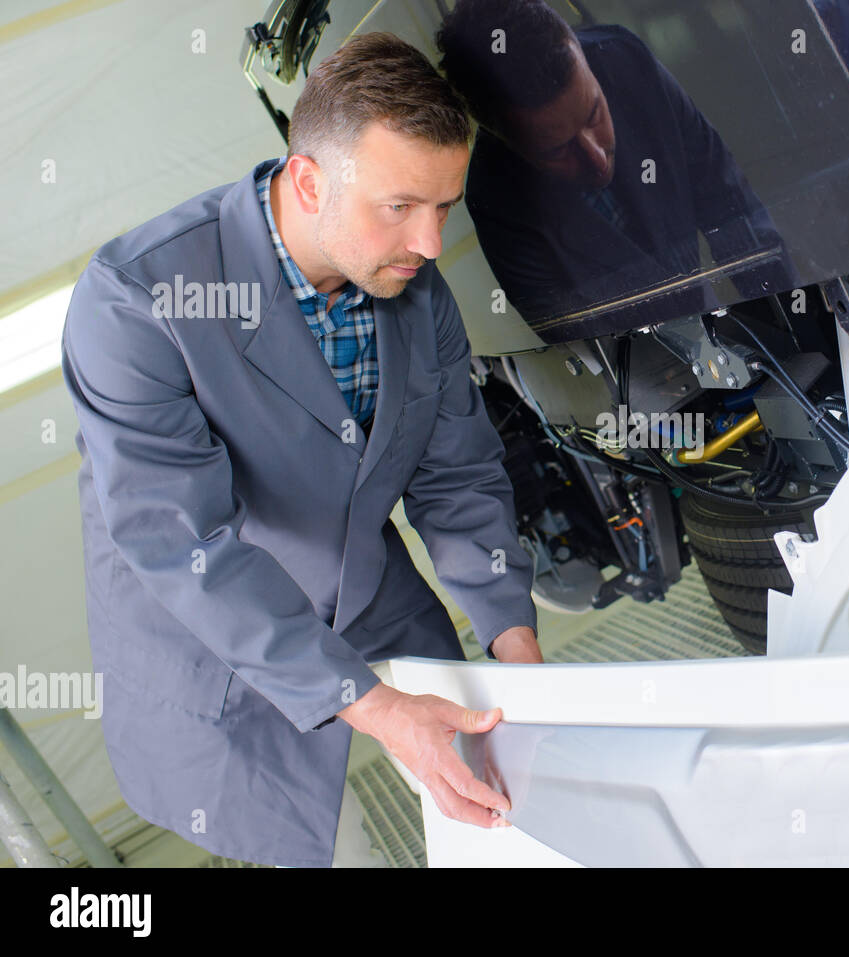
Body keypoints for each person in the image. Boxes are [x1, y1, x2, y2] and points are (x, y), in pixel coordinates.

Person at [60, 32, 542, 868]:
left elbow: (458, 477)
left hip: (363, 585)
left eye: (445, 208)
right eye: (399, 206)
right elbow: (185, 548)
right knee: (316, 845)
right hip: (215, 634)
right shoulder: (138, 301)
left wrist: (515, 640)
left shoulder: (411, 286)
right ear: (309, 179)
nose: (431, 246)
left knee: (498, 778)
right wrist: (375, 705)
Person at [435, 0, 800, 339]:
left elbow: (727, 200)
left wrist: (793, 325)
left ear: (578, 52)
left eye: (594, 113)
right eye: (559, 150)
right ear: (504, 138)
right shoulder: (499, 206)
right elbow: (582, 340)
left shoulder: (624, 61)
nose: (596, 157)